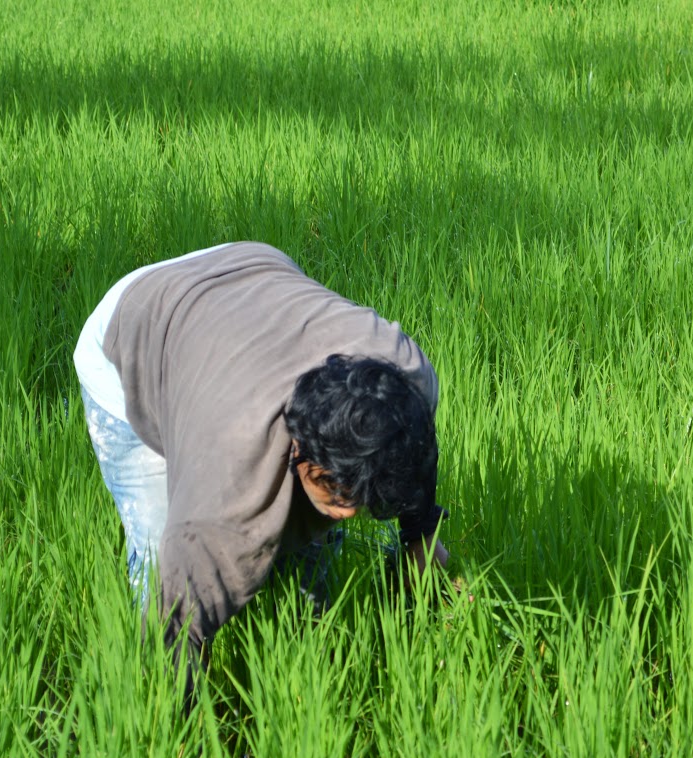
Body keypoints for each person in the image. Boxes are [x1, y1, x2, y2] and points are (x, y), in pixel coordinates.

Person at [73, 242, 447, 669]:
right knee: (163, 548)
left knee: (311, 549)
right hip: (140, 322)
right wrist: (177, 719)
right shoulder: (222, 481)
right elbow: (175, 625)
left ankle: (305, 641)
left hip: (249, 269)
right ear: (299, 446)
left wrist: (421, 536)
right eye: (333, 487)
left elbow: (414, 454)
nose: (346, 514)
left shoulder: (407, 379)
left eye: (356, 497)